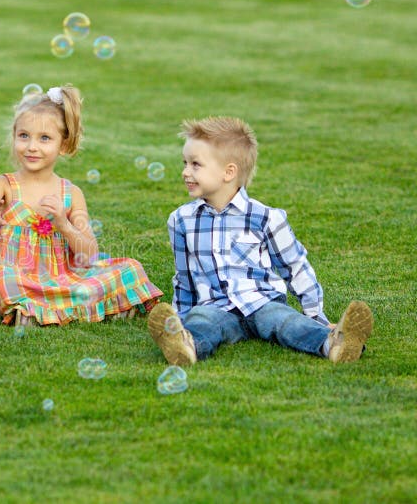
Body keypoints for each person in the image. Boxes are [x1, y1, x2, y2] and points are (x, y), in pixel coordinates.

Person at [147, 116, 373, 365]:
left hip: (262, 302)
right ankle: (185, 345)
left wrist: (315, 315)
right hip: (216, 307)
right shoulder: (181, 220)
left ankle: (334, 344)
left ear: (228, 172)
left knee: (286, 321)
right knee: (203, 322)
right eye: (185, 163)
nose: (185, 172)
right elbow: (184, 277)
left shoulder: (265, 217)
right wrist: (180, 318)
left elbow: (294, 267)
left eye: (195, 164)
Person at [0, 85, 163, 326]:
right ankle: (81, 307)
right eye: (24, 136)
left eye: (44, 138)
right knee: (7, 283)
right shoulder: (2, 184)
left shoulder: (71, 194)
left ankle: (36, 310)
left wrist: (63, 223)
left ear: (63, 145)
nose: (31, 146)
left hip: (65, 275)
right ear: (14, 136)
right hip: (21, 275)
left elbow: (90, 252)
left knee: (130, 268)